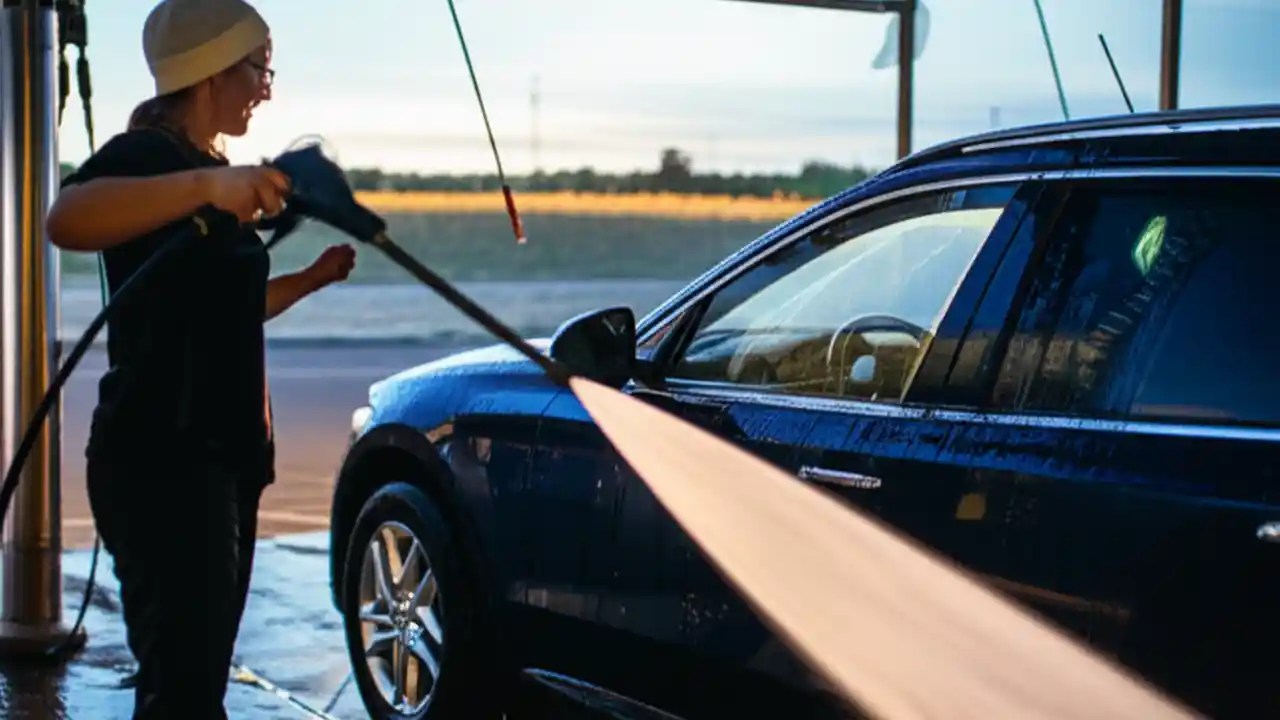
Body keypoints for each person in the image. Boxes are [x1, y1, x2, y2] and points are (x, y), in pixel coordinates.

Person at [45, 0, 354, 716]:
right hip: (162, 463)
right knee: (181, 692)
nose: (267, 87)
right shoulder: (152, 159)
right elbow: (67, 218)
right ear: (211, 72)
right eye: (259, 68)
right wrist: (209, 187)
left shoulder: (213, 170)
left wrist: (312, 278)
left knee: (198, 682)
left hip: (223, 461)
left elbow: (226, 308)